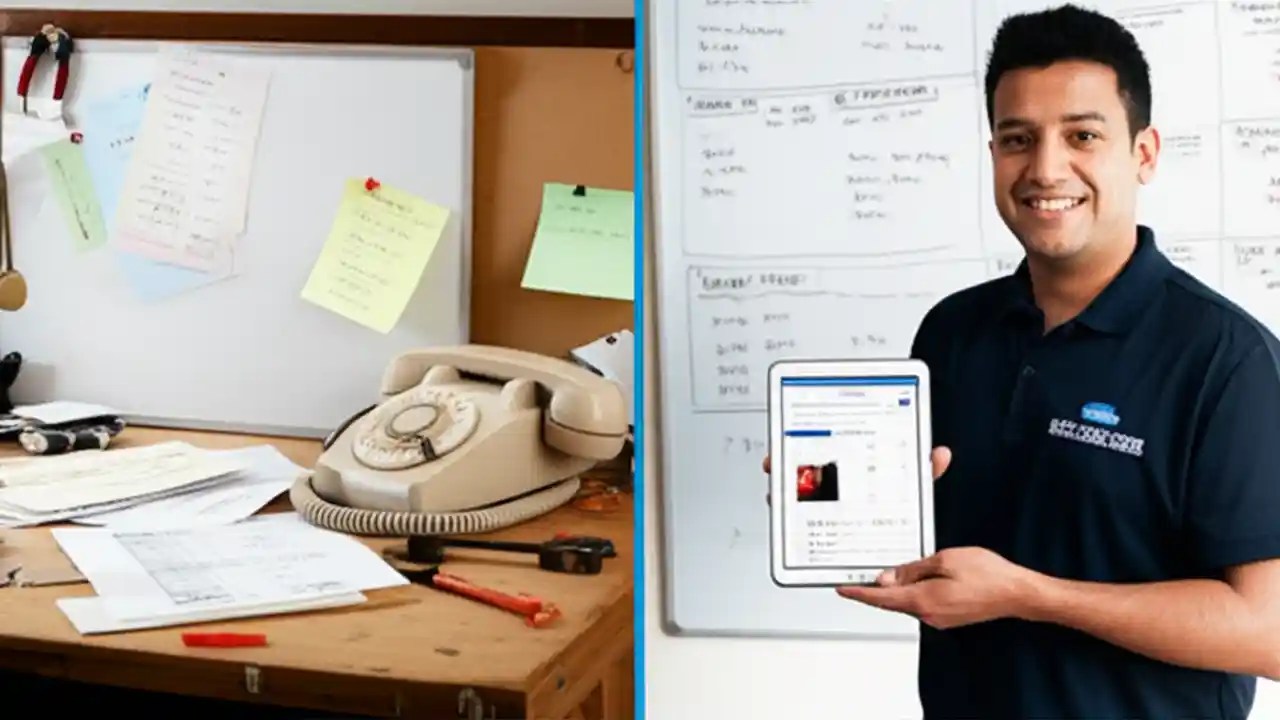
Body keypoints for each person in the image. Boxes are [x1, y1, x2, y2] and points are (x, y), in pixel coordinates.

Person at [762, 4, 1280, 718]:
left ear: (1145, 153)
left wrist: (1030, 595)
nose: (1044, 168)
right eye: (1017, 138)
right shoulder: (951, 332)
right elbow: (937, 537)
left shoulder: (1227, 360)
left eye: (1082, 135)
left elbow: (1269, 632)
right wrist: (824, 496)